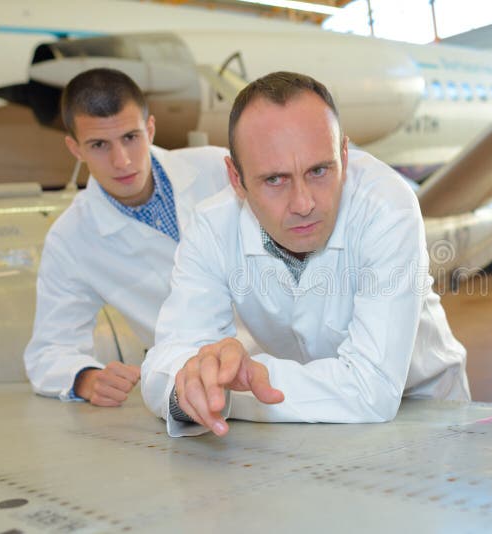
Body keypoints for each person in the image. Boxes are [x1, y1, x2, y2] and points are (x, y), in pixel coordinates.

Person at [141, 71, 469, 437]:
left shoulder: (386, 206)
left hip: (427, 407)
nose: (303, 203)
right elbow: (166, 362)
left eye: (319, 170)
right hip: (307, 416)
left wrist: (236, 387)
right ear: (236, 179)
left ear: (344, 156)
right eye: (275, 180)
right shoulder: (212, 226)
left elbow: (373, 389)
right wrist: (189, 387)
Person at [24, 68, 232, 406]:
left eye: (130, 137)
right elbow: (50, 349)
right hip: (198, 388)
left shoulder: (217, 169)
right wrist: (85, 378)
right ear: (75, 148)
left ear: (149, 129)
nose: (121, 161)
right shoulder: (71, 238)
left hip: (294, 360)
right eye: (99, 145)